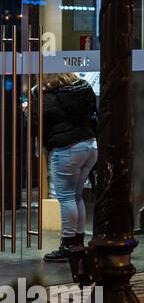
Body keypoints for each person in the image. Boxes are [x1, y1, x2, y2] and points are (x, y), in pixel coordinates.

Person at [38, 73, 98, 264]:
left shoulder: (48, 97)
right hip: (89, 145)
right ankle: (78, 242)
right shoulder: (83, 89)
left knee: (65, 197)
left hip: (67, 149)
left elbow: (37, 125)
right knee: (76, 196)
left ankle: (69, 245)